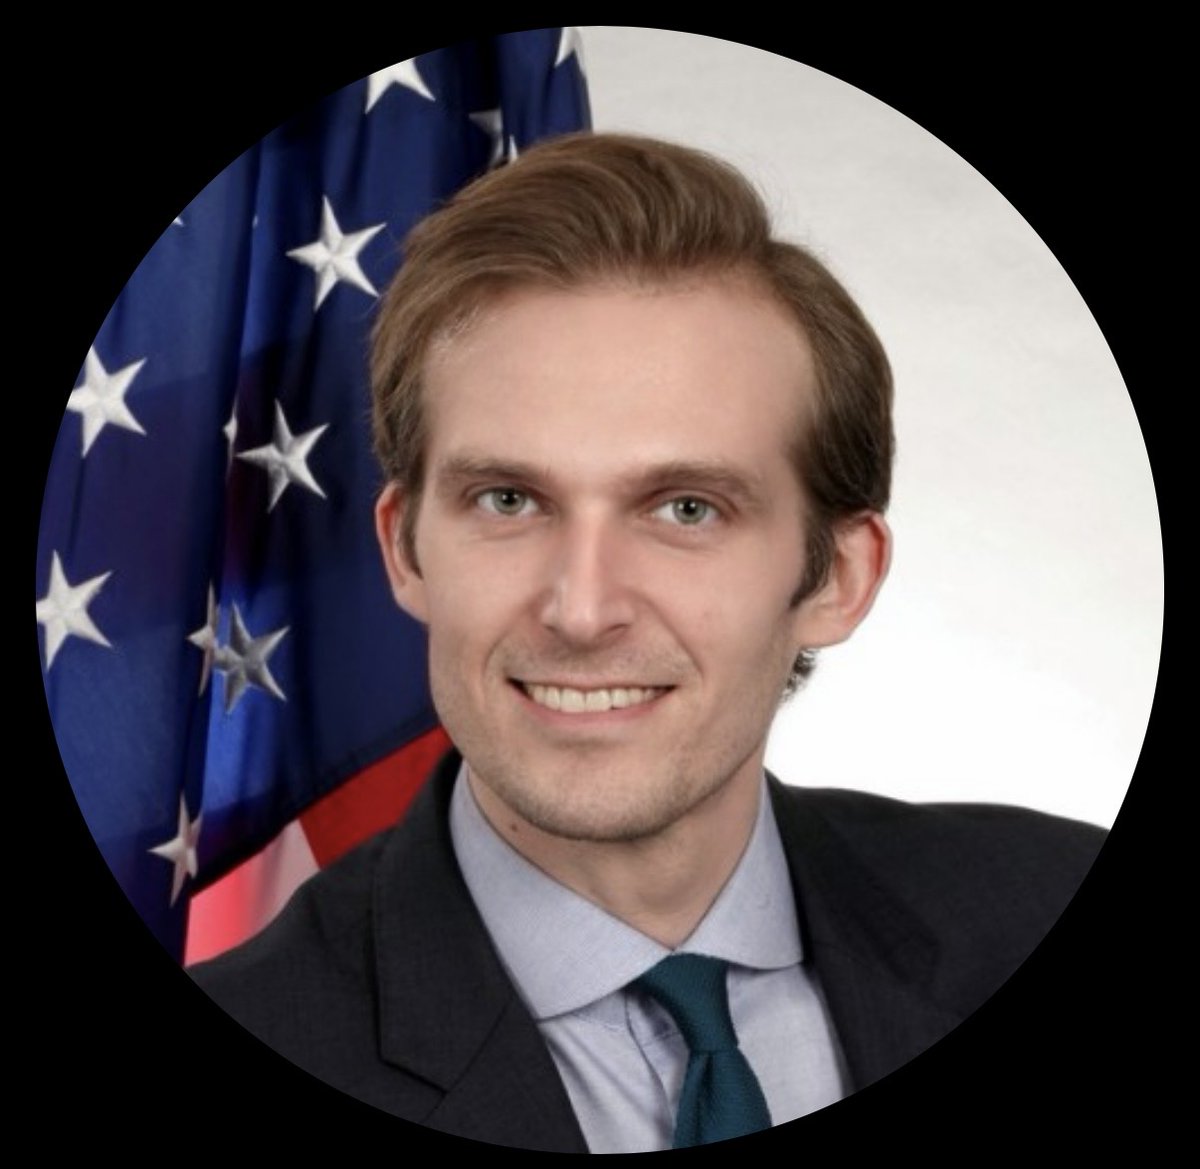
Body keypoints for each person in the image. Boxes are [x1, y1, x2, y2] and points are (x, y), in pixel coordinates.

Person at [190, 132, 1104, 1152]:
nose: (581, 610)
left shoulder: (1049, 901)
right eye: (508, 499)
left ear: (839, 576)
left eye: (686, 509)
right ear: (405, 549)